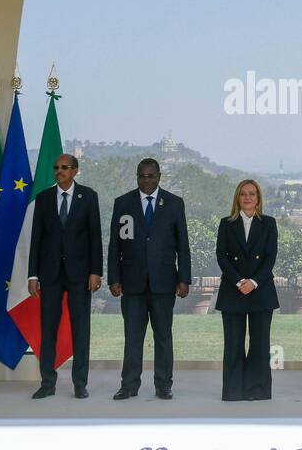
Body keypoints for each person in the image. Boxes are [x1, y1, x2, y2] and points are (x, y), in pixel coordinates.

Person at [107, 158, 191, 400]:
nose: (146, 180)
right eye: (142, 176)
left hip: (164, 283)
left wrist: (184, 278)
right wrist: (114, 277)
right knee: (133, 337)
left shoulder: (174, 204)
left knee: (163, 336)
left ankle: (163, 384)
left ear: (159, 177)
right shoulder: (123, 203)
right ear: (137, 176)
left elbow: (182, 245)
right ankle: (129, 385)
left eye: (151, 176)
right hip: (131, 283)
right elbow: (115, 245)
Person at [27, 153, 102, 399]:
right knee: (48, 330)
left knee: (81, 329)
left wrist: (95, 272)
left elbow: (94, 237)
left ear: (75, 171)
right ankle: (47, 383)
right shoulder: (44, 198)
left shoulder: (88, 196)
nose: (59, 171)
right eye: (56, 167)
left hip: (80, 275)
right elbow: (36, 239)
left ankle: (80, 383)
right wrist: (33, 275)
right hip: (49, 275)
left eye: (65, 168)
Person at [215, 179, 279, 401]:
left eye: (252, 194)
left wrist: (254, 282)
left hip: (261, 291)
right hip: (233, 291)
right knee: (233, 343)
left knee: (260, 344)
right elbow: (221, 256)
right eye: (243, 194)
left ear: (258, 198)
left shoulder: (269, 223)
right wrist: (239, 281)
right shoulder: (226, 223)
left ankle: (257, 391)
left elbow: (271, 256)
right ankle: (233, 391)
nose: (248, 198)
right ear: (237, 198)